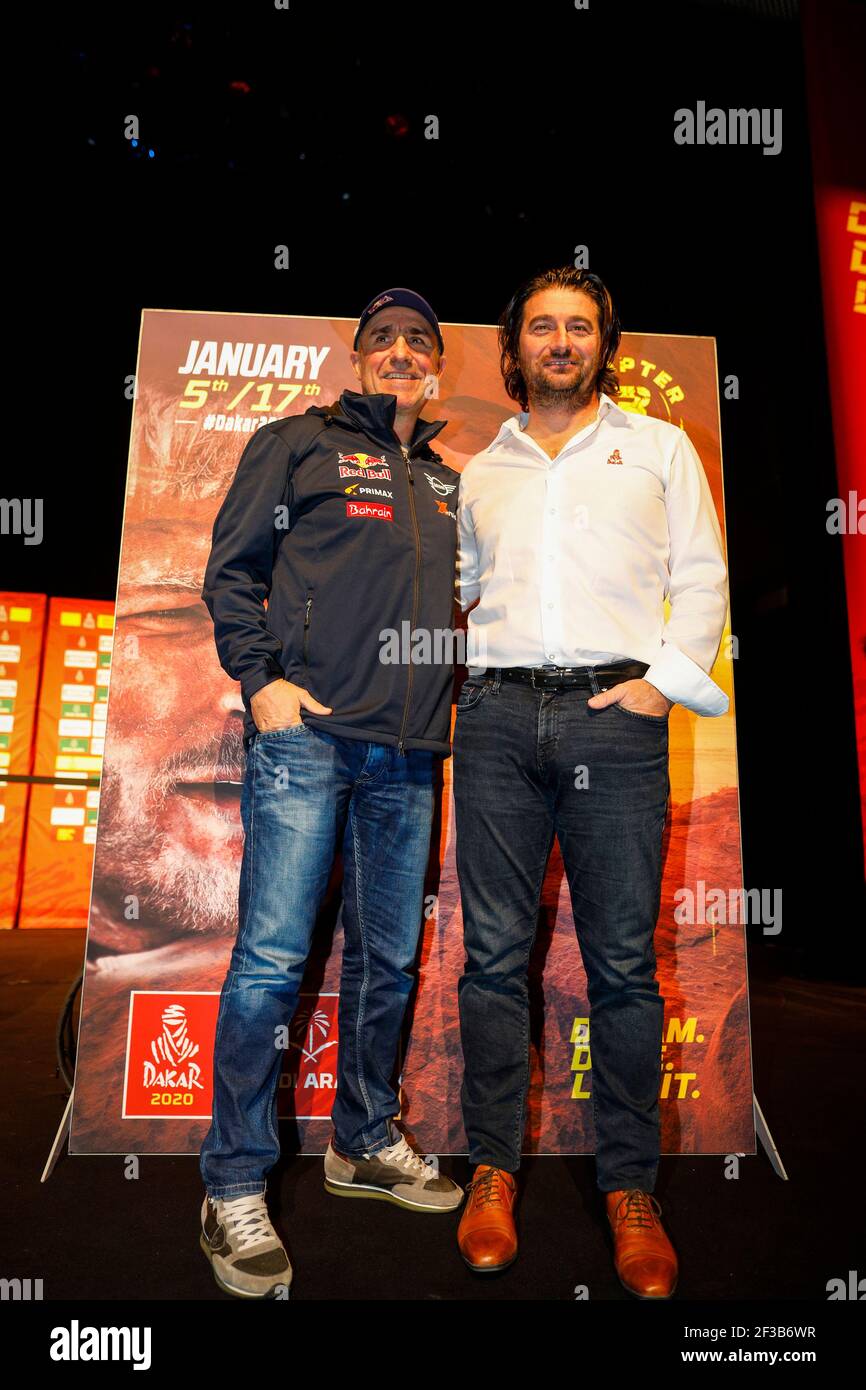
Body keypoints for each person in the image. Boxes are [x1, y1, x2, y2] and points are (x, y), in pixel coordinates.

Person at [453, 266, 730, 1298]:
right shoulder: (483, 467)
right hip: (491, 720)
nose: (558, 341)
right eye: (540, 327)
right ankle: (490, 1168)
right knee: (490, 959)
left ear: (599, 344)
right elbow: (466, 591)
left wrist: (661, 687)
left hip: (613, 720)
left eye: (576, 326)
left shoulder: (656, 448)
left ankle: (628, 1188)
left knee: (619, 964)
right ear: (513, 350)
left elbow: (699, 576)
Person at [198, 288, 463, 1299]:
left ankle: (362, 1139)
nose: (400, 352)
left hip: (409, 755)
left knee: (388, 961)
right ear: (358, 359)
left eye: (417, 342)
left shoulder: (443, 479)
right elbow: (232, 573)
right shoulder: (295, 442)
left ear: (434, 364)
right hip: (306, 740)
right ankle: (231, 1183)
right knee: (270, 963)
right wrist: (260, 681)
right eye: (382, 340)